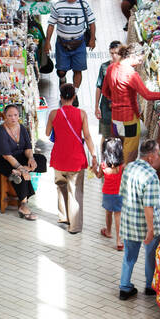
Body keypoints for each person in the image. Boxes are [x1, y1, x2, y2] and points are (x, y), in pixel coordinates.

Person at [101, 44, 160, 164]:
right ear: (133, 56)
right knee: (129, 156)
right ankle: (123, 180)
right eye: (140, 60)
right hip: (129, 120)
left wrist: (116, 100)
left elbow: (105, 91)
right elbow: (148, 95)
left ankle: (114, 178)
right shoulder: (131, 74)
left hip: (115, 119)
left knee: (117, 152)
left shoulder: (111, 68)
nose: (140, 63)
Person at [45, 83, 97, 234]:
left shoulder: (53, 114)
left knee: (61, 186)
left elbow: (48, 133)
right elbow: (87, 136)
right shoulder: (81, 114)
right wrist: (93, 154)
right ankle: (74, 226)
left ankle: (64, 216)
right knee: (75, 192)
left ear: (60, 98)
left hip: (59, 158)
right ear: (74, 97)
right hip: (76, 158)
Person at [118, 138, 160, 301]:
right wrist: (151, 230)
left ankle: (124, 287)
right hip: (146, 225)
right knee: (151, 255)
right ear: (150, 156)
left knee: (129, 257)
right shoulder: (151, 176)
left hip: (129, 222)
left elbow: (122, 193)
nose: (158, 156)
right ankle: (150, 286)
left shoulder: (128, 167)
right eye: (157, 153)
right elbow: (148, 206)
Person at [0, 102, 37, 221]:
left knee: (41, 159)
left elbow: (28, 148)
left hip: (18, 158)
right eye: (10, 115)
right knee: (20, 174)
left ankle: (17, 172)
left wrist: (31, 158)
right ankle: (24, 205)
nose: (13, 118)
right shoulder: (0, 132)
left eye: (15, 115)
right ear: (5, 116)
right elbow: (7, 156)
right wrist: (22, 169)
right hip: (1, 160)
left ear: (18, 115)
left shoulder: (22, 129)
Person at [44, 0, 95, 91]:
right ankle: (62, 81)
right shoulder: (58, 6)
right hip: (62, 43)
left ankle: (74, 94)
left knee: (78, 70)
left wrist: (92, 39)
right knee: (61, 71)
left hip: (79, 42)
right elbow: (51, 25)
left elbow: (92, 23)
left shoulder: (84, 5)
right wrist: (47, 42)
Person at [98, 135, 123, 251]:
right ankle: (119, 240)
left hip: (107, 193)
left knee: (108, 212)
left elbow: (98, 176)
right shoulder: (122, 167)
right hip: (119, 193)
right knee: (118, 214)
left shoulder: (103, 165)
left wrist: (93, 169)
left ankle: (108, 231)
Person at [95, 39, 121, 146]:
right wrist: (96, 106)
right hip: (105, 107)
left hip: (120, 108)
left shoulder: (126, 67)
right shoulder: (104, 67)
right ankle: (103, 159)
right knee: (106, 135)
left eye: (117, 53)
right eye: (112, 53)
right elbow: (99, 86)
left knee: (119, 135)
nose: (114, 56)